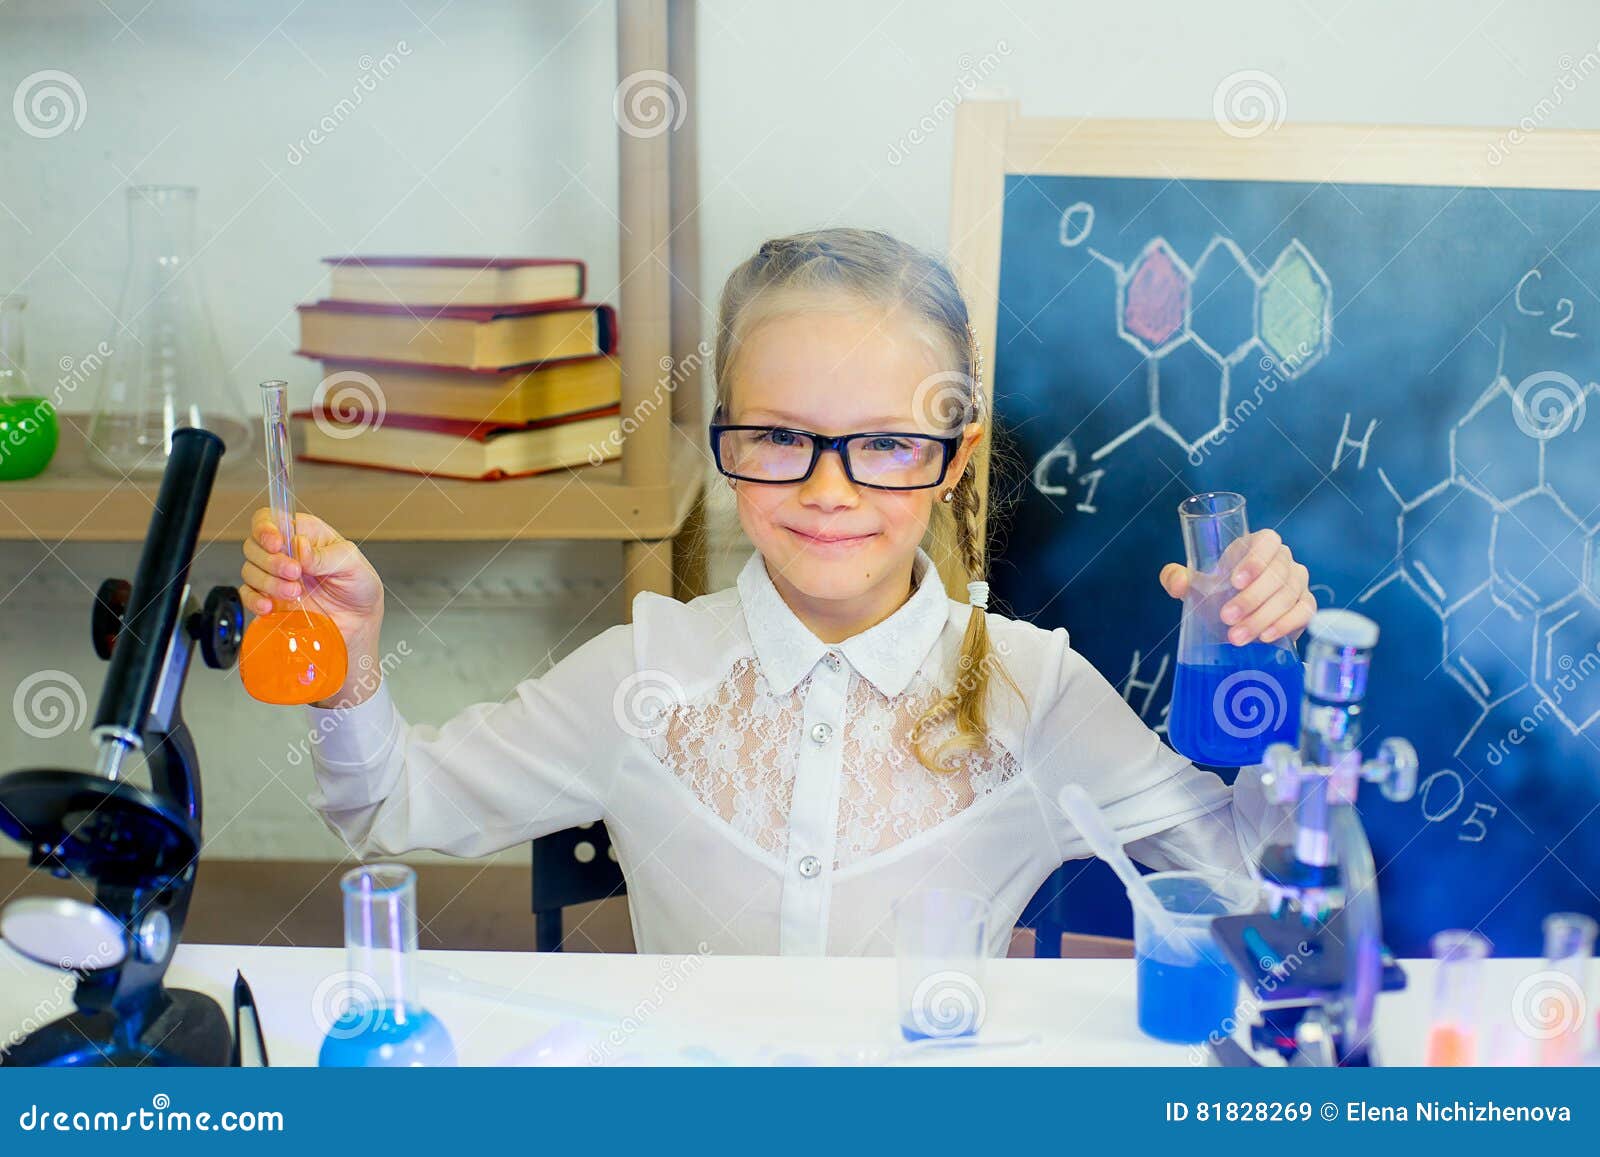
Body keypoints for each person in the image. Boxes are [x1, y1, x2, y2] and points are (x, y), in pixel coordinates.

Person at [239, 228, 1314, 957]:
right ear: (724, 438)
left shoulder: (1036, 692)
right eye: (778, 437)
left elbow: (1263, 905)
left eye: (887, 443)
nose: (828, 488)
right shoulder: (643, 674)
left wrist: (1260, 681)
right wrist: (351, 659)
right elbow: (388, 806)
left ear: (952, 455)